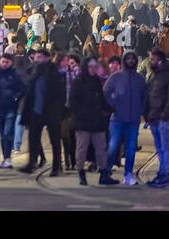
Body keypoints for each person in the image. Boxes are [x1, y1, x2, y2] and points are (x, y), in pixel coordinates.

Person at [101, 50, 147, 186]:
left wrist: (142, 111)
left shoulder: (139, 79)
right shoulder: (115, 77)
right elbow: (105, 93)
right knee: (113, 146)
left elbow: (145, 97)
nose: (131, 61)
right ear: (124, 61)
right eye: (128, 59)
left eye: (133, 59)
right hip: (117, 119)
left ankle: (128, 174)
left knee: (131, 148)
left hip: (133, 120)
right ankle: (105, 172)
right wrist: (111, 106)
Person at [18, 46, 65, 176]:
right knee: (33, 138)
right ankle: (31, 163)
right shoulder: (34, 72)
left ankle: (57, 166)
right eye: (36, 57)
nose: (36, 60)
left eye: (40, 57)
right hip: (36, 111)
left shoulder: (54, 72)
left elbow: (60, 94)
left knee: (55, 140)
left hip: (51, 112)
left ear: (47, 58)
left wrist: (59, 111)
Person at [144, 48, 169, 187]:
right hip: (154, 117)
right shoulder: (153, 76)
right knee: (160, 148)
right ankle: (162, 173)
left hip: (163, 119)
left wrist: (166, 114)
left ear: (160, 60)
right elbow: (148, 95)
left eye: (153, 59)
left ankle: (166, 175)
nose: (150, 62)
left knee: (166, 147)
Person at [69, 57, 109, 185]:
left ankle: (103, 173)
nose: (93, 69)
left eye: (95, 67)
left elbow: (101, 100)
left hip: (97, 121)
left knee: (101, 148)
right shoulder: (79, 81)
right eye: (90, 67)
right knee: (82, 149)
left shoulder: (97, 81)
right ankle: (81, 172)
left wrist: (107, 110)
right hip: (83, 122)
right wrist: (80, 114)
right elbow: (73, 101)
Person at [0, 51, 25, 168]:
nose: (4, 64)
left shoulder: (14, 75)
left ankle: (7, 158)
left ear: (11, 63)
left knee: (8, 133)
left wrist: (15, 98)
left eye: (6, 62)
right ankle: (5, 158)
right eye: (3, 61)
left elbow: (23, 89)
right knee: (2, 134)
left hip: (11, 108)